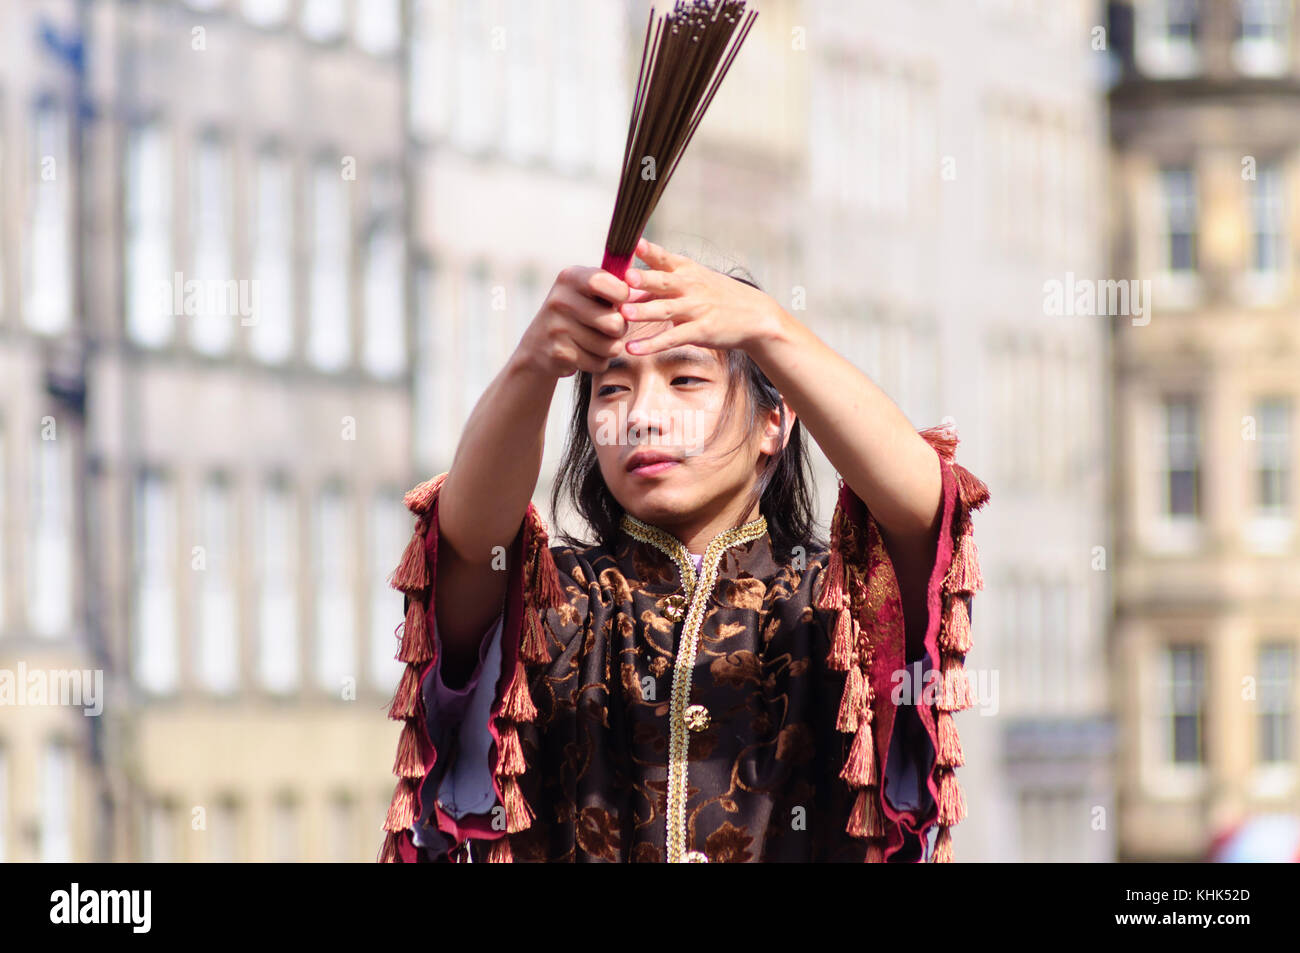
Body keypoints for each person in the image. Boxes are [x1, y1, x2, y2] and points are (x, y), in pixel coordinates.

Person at [379, 237, 989, 863]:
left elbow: (925, 509)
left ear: (773, 422)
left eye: (687, 379)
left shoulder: (833, 610)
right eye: (611, 390)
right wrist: (533, 362)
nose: (643, 413)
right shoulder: (553, 605)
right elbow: (466, 546)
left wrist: (768, 327)